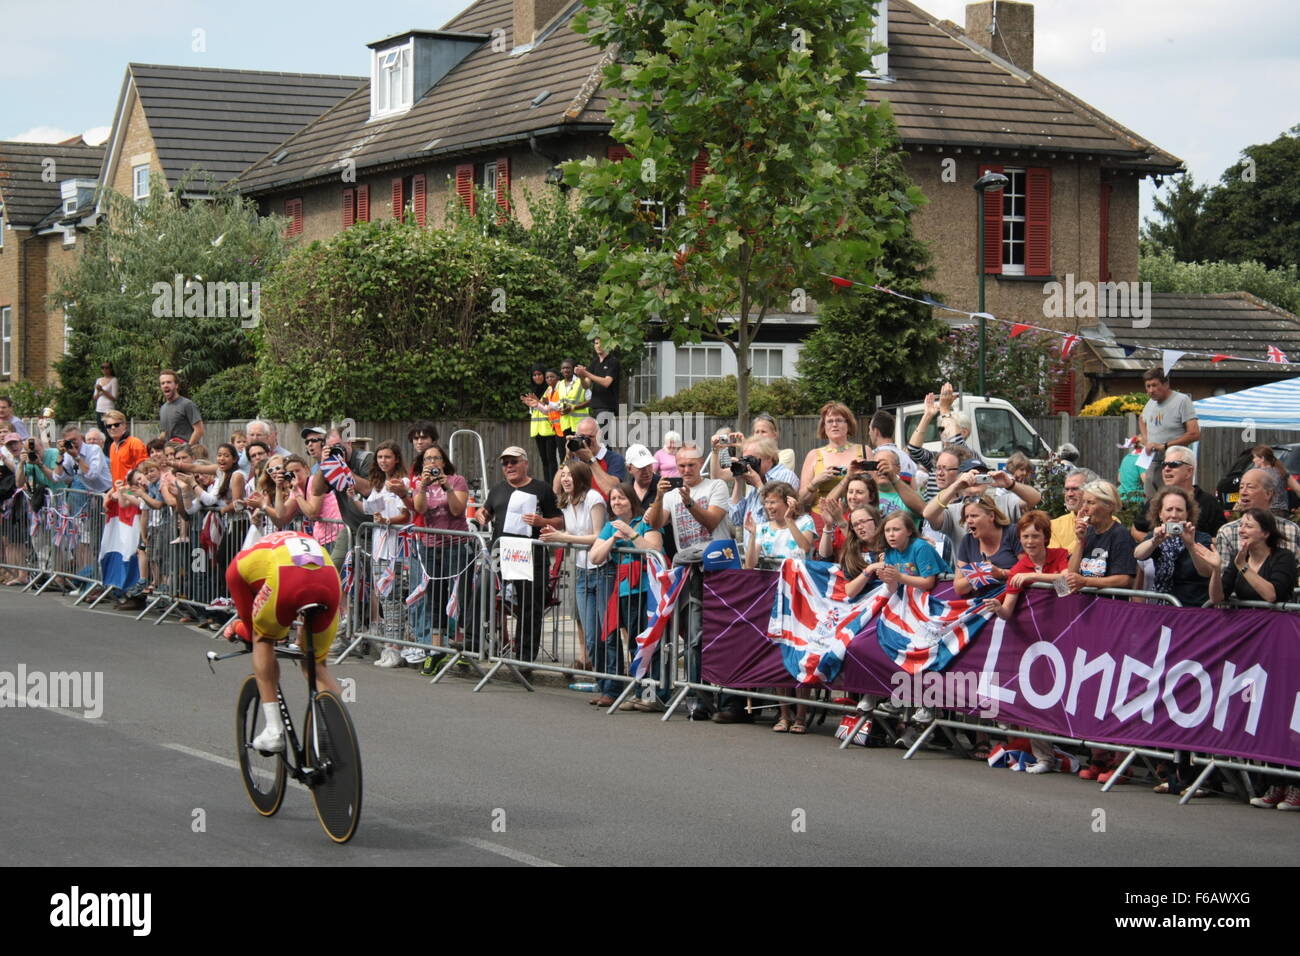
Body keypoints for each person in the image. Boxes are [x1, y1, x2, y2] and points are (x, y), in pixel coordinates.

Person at [223, 530, 343, 753]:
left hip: (286, 580)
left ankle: (273, 731)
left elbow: (250, 627)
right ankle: (338, 735)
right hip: (328, 578)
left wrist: (236, 628)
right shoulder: (294, 538)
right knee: (314, 662)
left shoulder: (236, 567)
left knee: (263, 639)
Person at [472, 447, 563, 663]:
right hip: (501, 553)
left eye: (513, 462)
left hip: (531, 555)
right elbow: (485, 511)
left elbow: (559, 520)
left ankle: (524, 658)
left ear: (525, 463)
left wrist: (542, 522)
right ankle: (472, 644)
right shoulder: (497, 490)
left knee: (530, 606)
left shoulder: (541, 489)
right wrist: (481, 514)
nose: (509, 466)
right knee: (480, 591)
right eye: (505, 463)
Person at [589, 481, 665, 712]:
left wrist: (631, 533)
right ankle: (640, 691)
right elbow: (595, 556)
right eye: (613, 499)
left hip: (646, 591)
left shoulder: (646, 522)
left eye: (621, 498)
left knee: (647, 644)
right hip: (623, 591)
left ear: (632, 500)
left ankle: (653, 696)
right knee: (632, 644)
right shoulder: (611, 526)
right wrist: (613, 538)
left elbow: (654, 550)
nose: (617, 502)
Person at [542, 462, 612, 700]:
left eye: (570, 475)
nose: (566, 479)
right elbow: (572, 538)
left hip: (602, 570)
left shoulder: (594, 499)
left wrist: (563, 536)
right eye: (563, 475)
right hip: (582, 571)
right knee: (591, 635)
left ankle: (611, 687)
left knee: (606, 632)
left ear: (582, 477)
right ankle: (603, 684)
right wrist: (555, 538)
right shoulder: (565, 502)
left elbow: (598, 536)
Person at [410, 443, 470, 672]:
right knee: (434, 597)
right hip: (431, 545)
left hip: (456, 545)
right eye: (427, 459)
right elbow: (420, 509)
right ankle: (436, 650)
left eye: (436, 458)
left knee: (458, 595)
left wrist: (446, 486)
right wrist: (423, 487)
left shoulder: (457, 480)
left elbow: (457, 510)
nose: (432, 463)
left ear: (444, 462)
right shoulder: (420, 483)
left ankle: (461, 645)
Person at [359, 441, 411, 668]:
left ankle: (396, 646)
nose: (383, 461)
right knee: (383, 598)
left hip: (396, 547)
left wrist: (389, 520)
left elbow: (406, 514)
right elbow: (371, 511)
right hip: (379, 546)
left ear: (396, 459)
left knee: (394, 597)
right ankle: (389, 646)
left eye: (387, 457)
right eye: (380, 457)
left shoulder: (403, 483)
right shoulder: (377, 484)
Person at [1133, 487, 1215, 608]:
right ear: (1160, 514)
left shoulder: (1201, 538)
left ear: (1187, 514)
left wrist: (1191, 545)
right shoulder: (1156, 536)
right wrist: (1154, 541)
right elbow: (1138, 554)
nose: (1174, 515)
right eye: (1169, 509)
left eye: (1179, 510)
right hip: (1161, 609)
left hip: (1192, 610)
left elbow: (1206, 572)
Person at [1208, 508, 1297, 605]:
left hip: (1275, 618)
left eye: (1248, 526)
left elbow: (1271, 596)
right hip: (1246, 618)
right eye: (1240, 526)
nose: (1241, 531)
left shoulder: (1284, 556)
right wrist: (1216, 570)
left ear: (1265, 533)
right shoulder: (1239, 557)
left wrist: (1243, 566)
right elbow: (1216, 599)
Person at [1215, 468, 1300, 568]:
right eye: (1241, 487)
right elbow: (1223, 578)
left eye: (1250, 487)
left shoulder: (1291, 530)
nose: (1243, 492)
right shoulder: (1227, 532)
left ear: (1268, 494)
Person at [1132, 447, 1222, 540]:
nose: (1166, 469)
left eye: (1173, 464)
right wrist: (1157, 544)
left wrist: (1192, 544)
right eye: (1164, 464)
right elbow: (1136, 530)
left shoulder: (1209, 502)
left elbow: (1221, 538)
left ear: (1189, 471)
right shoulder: (1157, 500)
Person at [1066, 480, 1137, 595]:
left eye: (1090, 503)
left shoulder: (1120, 534)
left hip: (1109, 607)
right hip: (1085, 605)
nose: (1084, 508)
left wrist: (1086, 581)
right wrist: (1080, 541)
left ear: (1109, 506)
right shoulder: (1088, 532)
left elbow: (1125, 579)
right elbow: (1071, 574)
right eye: (1083, 502)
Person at [800, 402, 869, 519]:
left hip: (857, 516)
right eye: (830, 421)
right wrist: (816, 482)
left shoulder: (864, 451)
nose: (834, 424)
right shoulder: (814, 455)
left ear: (848, 424)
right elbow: (802, 500)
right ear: (824, 427)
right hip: (821, 517)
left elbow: (874, 488)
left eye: (839, 420)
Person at [1138, 368, 1198, 497]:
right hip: (1152, 461)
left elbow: (1194, 433)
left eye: (1154, 385)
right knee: (1151, 503)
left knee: (1172, 500)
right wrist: (1145, 439)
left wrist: (1164, 445)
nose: (1150, 390)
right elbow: (1141, 419)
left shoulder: (1182, 400)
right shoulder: (1150, 403)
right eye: (1147, 386)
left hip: (1173, 462)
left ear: (1165, 384)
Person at [727, 435, 801, 536]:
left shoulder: (785, 476)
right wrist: (738, 480)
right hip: (753, 550)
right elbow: (736, 519)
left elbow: (780, 516)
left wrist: (759, 486)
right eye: (744, 460)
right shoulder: (757, 480)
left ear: (769, 458)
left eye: (750, 460)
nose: (747, 465)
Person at [952, 494, 1021, 598]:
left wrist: (1000, 573)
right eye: (967, 516)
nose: (969, 521)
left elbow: (1028, 571)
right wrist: (979, 572)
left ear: (991, 516)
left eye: (974, 516)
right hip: (984, 605)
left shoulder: (1013, 533)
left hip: (1016, 602)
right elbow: (959, 588)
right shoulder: (967, 541)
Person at [742, 481, 814, 570]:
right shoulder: (763, 529)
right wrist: (753, 535)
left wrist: (788, 520)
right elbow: (749, 566)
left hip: (799, 579)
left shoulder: (805, 521)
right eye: (766, 502)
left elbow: (805, 549)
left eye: (772, 502)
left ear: (788, 502)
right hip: (775, 581)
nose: (768, 506)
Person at [878, 510, 948, 594]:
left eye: (896, 529)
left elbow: (929, 583)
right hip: (915, 595)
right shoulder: (889, 551)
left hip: (942, 591)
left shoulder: (921, 547)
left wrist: (899, 577)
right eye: (887, 530)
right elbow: (893, 590)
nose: (891, 534)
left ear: (909, 531)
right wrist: (888, 580)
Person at [554, 416, 625, 498]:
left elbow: (611, 490)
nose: (585, 441)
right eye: (582, 437)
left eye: (590, 437)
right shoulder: (575, 458)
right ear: (576, 436)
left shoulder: (614, 459)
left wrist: (591, 461)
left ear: (599, 436)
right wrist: (568, 457)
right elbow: (557, 490)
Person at [523, 369, 561, 484]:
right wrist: (530, 405)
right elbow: (534, 412)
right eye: (534, 375)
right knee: (544, 460)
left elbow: (549, 408)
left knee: (551, 459)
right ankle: (547, 485)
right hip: (537, 430)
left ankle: (553, 487)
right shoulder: (533, 390)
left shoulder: (549, 389)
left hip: (549, 428)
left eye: (539, 374)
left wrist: (537, 402)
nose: (537, 377)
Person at [1050, 467, 1098, 551]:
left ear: (1092, 490)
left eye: (1075, 489)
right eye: (1066, 489)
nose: (1069, 494)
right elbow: (1057, 561)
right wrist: (1079, 539)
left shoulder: (1109, 522)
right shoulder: (1054, 526)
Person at [577, 336, 620, 423]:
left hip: (607, 408)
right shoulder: (594, 362)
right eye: (596, 343)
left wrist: (586, 373)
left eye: (601, 343)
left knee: (603, 436)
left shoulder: (613, 361)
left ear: (607, 344)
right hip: (595, 408)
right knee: (595, 436)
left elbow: (606, 382)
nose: (598, 346)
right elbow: (586, 385)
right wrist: (581, 375)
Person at [157, 369, 205, 446]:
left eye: (169, 382)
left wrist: (187, 449)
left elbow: (199, 430)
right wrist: (156, 442)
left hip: (187, 455)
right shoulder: (163, 408)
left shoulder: (187, 404)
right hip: (170, 454)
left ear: (176, 385)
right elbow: (164, 433)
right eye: (162, 383)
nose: (165, 385)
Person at [1251, 445, 1300, 515]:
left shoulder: (1257, 474)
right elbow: (1298, 489)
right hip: (1281, 512)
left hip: (1263, 514)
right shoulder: (1282, 471)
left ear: (1262, 458)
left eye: (1254, 457)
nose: (1253, 460)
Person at [554, 358, 590, 436]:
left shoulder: (581, 382)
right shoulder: (559, 384)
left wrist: (573, 408)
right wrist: (560, 409)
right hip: (565, 424)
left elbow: (590, 401)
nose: (565, 370)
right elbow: (560, 402)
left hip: (580, 424)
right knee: (568, 447)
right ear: (561, 370)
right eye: (563, 368)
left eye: (568, 368)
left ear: (574, 369)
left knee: (581, 447)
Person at [1116, 436, 1148, 508]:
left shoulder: (1126, 457)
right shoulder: (1141, 459)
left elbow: (1119, 478)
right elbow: (1145, 480)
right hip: (1135, 500)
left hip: (1121, 496)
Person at [93, 361, 119, 435]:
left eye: (107, 367)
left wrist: (102, 390)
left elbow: (114, 397)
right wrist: (98, 391)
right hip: (99, 409)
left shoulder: (114, 380)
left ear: (110, 369)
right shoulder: (98, 380)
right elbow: (95, 397)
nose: (105, 369)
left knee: (108, 431)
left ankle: (109, 446)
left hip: (108, 409)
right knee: (101, 431)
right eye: (102, 367)